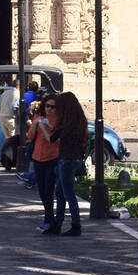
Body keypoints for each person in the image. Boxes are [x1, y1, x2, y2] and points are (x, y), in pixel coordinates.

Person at [49, 91, 89, 237]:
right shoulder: (80, 121)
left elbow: (52, 138)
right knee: (60, 192)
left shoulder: (65, 123)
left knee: (68, 194)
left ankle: (75, 225)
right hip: (76, 160)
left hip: (66, 160)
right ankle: (58, 224)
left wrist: (45, 126)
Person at [28, 95, 60, 232]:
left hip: (52, 157)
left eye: (52, 107)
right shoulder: (38, 118)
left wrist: (47, 128)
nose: (49, 109)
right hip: (37, 157)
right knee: (42, 191)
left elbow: (57, 140)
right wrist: (35, 125)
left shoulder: (58, 120)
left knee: (48, 190)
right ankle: (49, 219)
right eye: (47, 106)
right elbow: (30, 136)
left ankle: (49, 220)